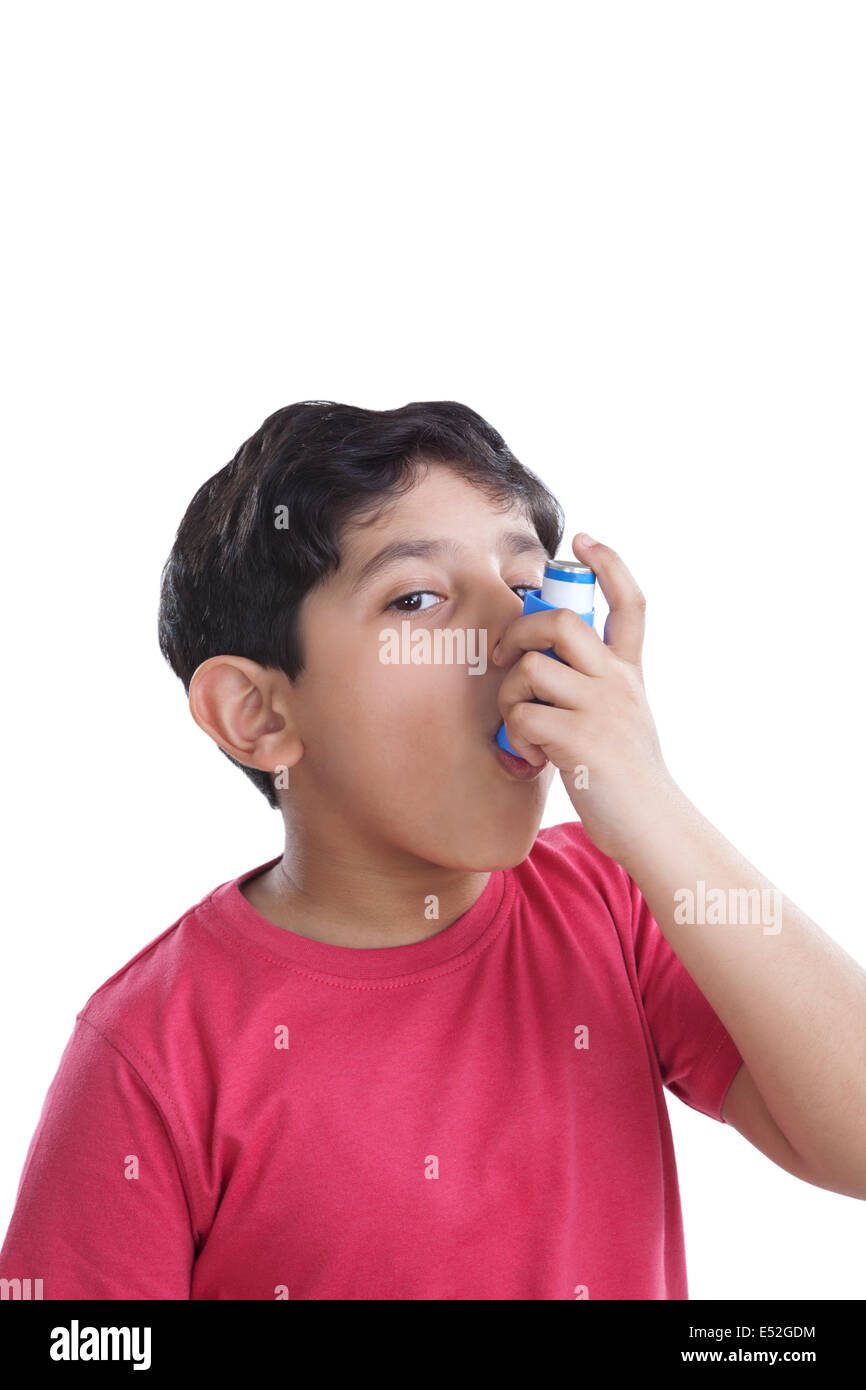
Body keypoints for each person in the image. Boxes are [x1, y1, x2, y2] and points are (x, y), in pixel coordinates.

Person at [2, 400, 864, 1301]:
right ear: (257, 714)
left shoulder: (619, 904)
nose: (517, 643)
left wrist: (651, 805)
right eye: (416, 599)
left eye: (529, 586)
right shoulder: (151, 1049)